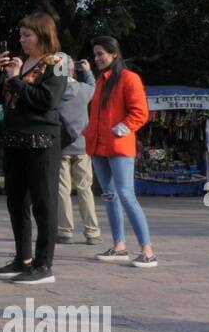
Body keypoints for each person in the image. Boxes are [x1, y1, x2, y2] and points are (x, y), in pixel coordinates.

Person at [0, 12, 67, 284]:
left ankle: (43, 264)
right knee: (16, 202)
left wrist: (15, 80)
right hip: (15, 140)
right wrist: (1, 72)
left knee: (44, 204)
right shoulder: (20, 64)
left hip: (42, 141)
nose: (21, 40)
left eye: (27, 35)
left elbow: (46, 100)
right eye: (20, 35)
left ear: (43, 35)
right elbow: (2, 96)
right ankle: (22, 258)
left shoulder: (56, 63)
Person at [86, 36, 157, 268]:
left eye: (100, 54)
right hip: (98, 147)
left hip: (118, 147)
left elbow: (140, 112)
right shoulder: (101, 81)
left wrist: (120, 130)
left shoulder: (129, 78)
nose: (97, 58)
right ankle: (119, 247)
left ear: (114, 53)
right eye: (95, 54)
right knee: (109, 195)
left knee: (126, 195)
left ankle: (147, 251)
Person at [55, 53, 102, 245]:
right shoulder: (84, 90)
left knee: (62, 190)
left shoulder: (53, 91)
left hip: (61, 145)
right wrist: (89, 72)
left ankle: (65, 231)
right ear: (72, 69)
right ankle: (92, 232)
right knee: (85, 189)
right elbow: (95, 87)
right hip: (82, 146)